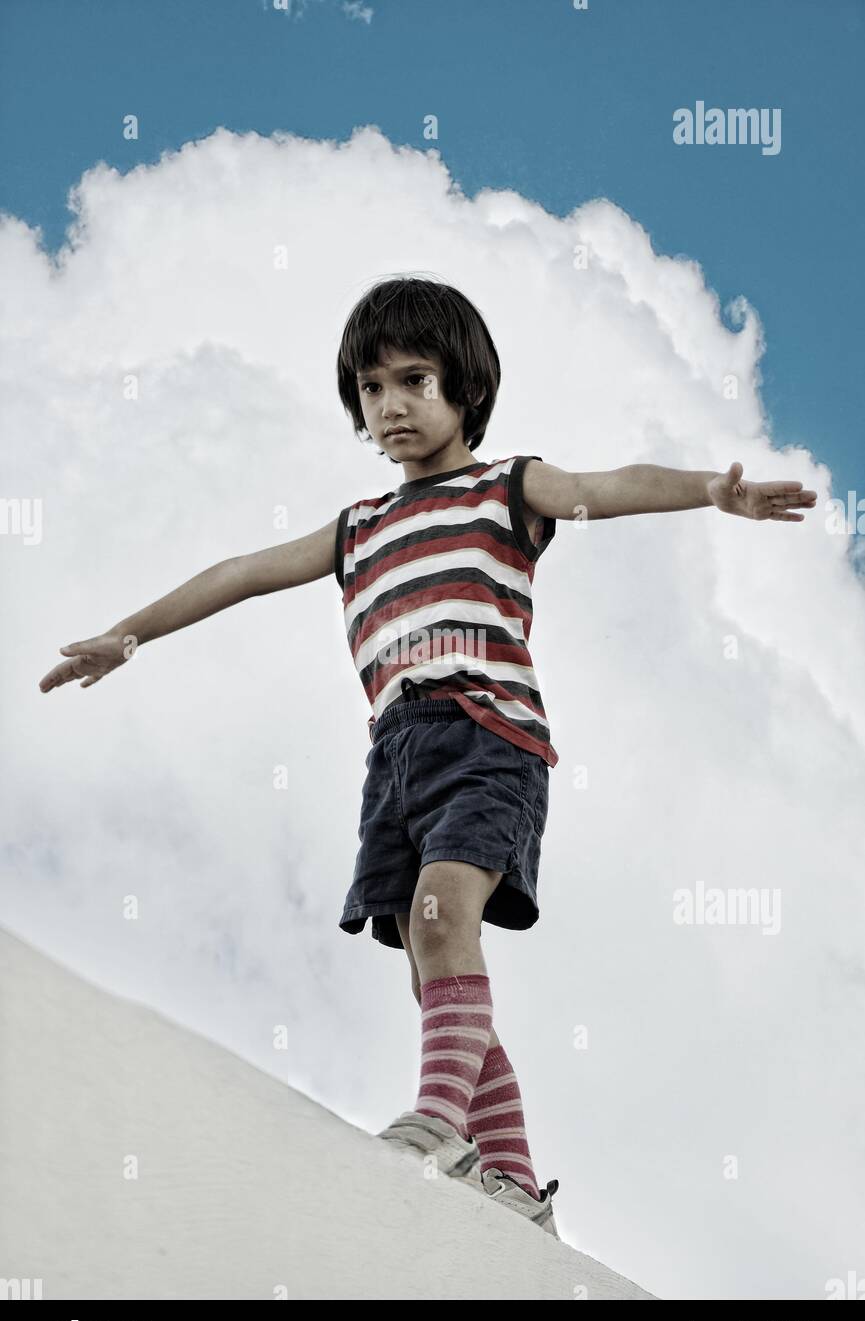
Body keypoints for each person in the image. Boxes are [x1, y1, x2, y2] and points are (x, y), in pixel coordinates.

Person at [38, 275, 817, 1240]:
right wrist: (128, 634)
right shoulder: (356, 529)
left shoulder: (505, 488)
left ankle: (439, 1127)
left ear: (465, 391)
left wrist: (710, 490)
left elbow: (597, 490)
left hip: (486, 736)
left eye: (414, 379)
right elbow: (239, 574)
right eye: (371, 388)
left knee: (447, 913)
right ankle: (515, 1188)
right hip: (394, 755)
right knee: (430, 964)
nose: (392, 405)